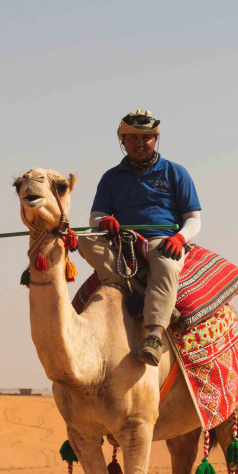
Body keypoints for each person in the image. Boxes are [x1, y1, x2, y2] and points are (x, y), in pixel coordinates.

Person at [79, 109, 202, 366]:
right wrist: (104, 221)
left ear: (155, 139)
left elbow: (193, 219)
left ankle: (154, 335)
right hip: (120, 241)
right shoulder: (111, 177)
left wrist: (180, 238)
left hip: (161, 240)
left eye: (146, 137)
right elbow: (96, 217)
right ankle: (144, 290)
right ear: (122, 141)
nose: (139, 142)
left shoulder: (176, 173)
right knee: (85, 239)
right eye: (132, 137)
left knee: (167, 264)